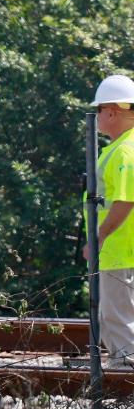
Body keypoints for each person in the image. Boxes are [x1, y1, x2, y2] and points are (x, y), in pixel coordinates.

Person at [89, 74, 134, 364]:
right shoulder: (124, 147)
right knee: (117, 317)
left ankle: (126, 379)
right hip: (119, 251)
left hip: (119, 251)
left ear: (112, 111)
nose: (96, 117)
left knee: (119, 321)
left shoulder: (124, 151)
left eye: (98, 110)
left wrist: (99, 236)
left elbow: (125, 201)